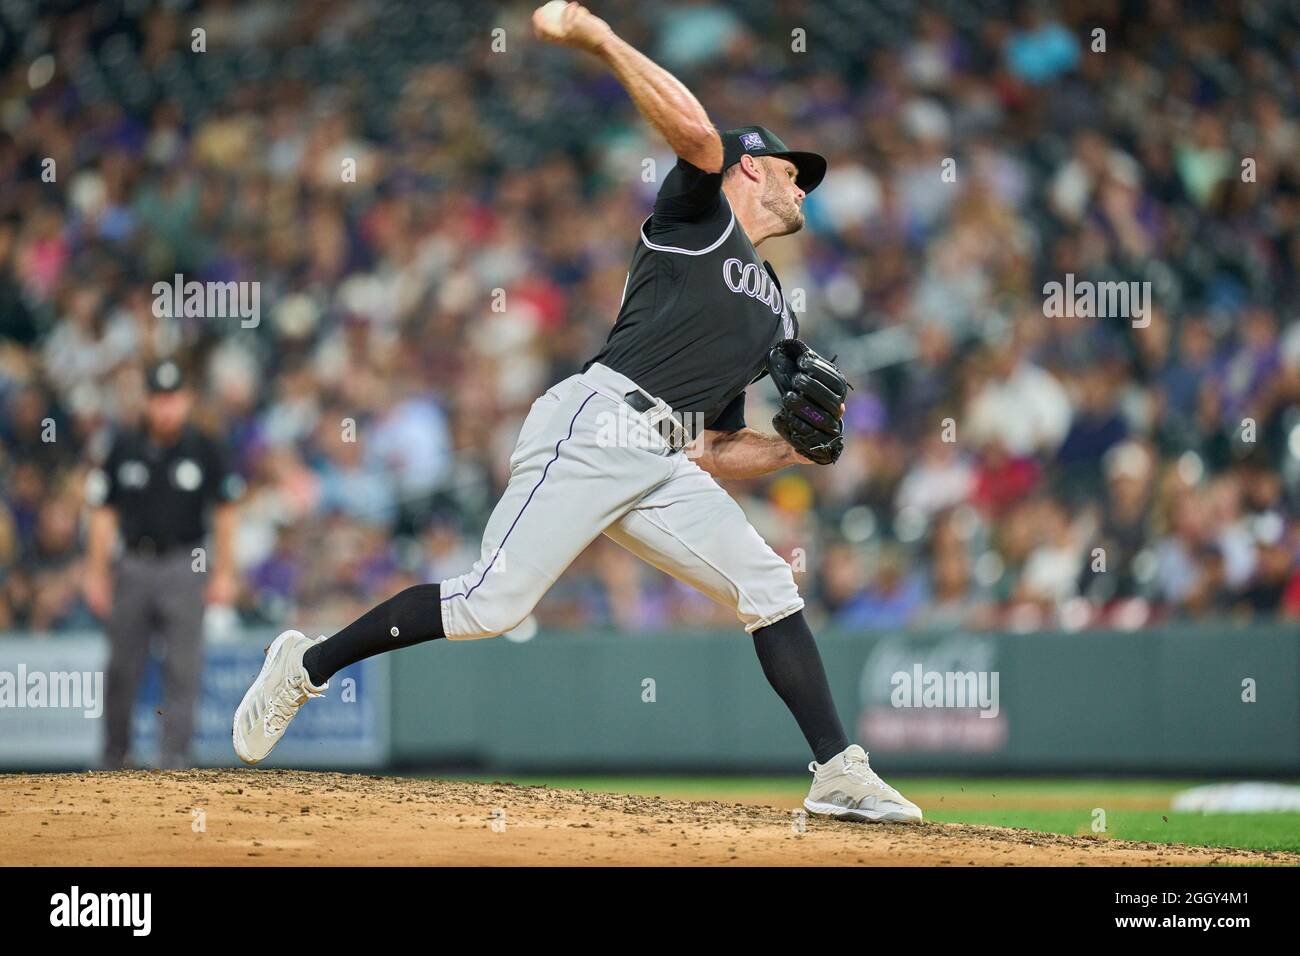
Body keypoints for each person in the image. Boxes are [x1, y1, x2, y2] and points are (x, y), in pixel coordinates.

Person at [232, 2, 920, 823]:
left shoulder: (775, 311)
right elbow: (699, 137)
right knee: (491, 604)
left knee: (768, 582)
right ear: (748, 168)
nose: (800, 179)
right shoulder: (694, 221)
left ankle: (837, 769)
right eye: (787, 166)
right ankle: (305, 667)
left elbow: (718, 443)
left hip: (664, 454)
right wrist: (598, 36)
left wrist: (792, 452)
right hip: (597, 423)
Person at [85, 360, 242, 769]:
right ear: (147, 401)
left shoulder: (204, 446)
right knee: (121, 666)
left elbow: (226, 511)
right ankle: (114, 756)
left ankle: (174, 758)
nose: (166, 408)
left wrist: (225, 571)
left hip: (184, 564)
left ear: (187, 401)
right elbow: (103, 513)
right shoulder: (123, 445)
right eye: (158, 399)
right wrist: (96, 572)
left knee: (183, 667)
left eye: (173, 399)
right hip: (134, 564)